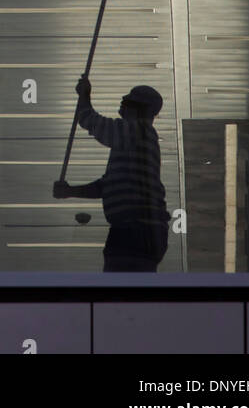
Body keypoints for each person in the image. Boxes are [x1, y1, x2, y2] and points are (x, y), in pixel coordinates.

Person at [53, 74, 170, 272]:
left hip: (137, 229)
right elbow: (107, 185)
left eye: (129, 101)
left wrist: (84, 96)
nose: (123, 102)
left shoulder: (138, 131)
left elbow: (91, 121)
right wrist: (70, 191)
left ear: (140, 109)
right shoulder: (132, 141)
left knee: (119, 290)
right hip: (136, 229)